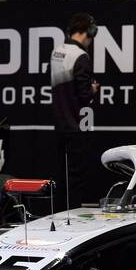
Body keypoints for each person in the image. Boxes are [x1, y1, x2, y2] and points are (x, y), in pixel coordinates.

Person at [49, 12, 100, 205]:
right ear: (88, 32)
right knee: (76, 178)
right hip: (75, 126)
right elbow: (84, 94)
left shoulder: (56, 51)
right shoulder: (81, 56)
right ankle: (73, 219)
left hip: (59, 124)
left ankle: (60, 214)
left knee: (61, 175)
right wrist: (93, 89)